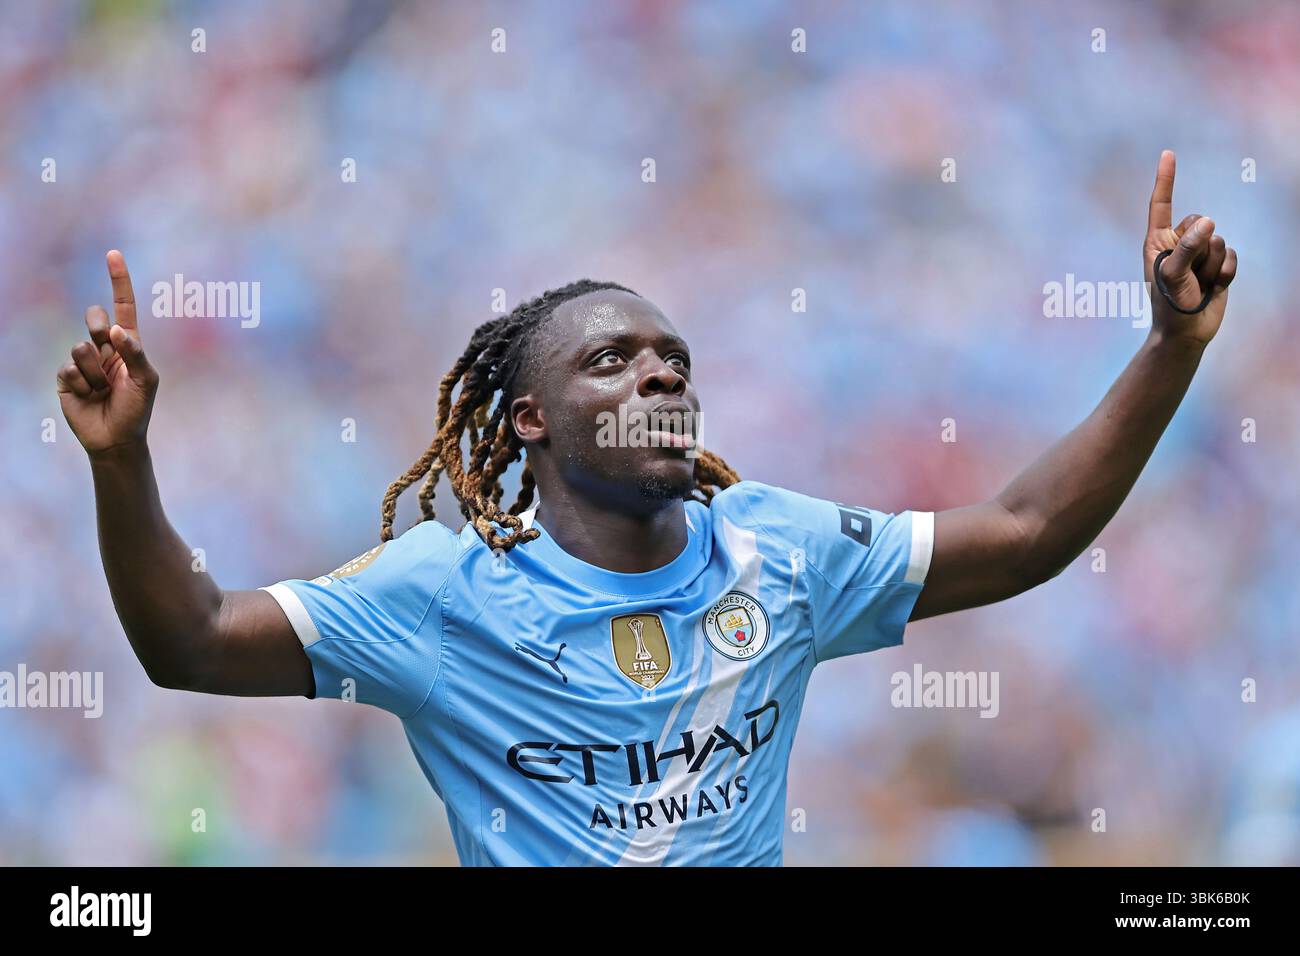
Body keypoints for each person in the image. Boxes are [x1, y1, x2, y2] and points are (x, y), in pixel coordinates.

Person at [55, 152, 1237, 865]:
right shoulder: (441, 596)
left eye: (673, 356)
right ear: (528, 418)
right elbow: (192, 641)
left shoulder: (779, 552)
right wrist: (124, 463)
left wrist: (1169, 349)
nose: (661, 373)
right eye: (612, 359)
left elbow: (1027, 532)